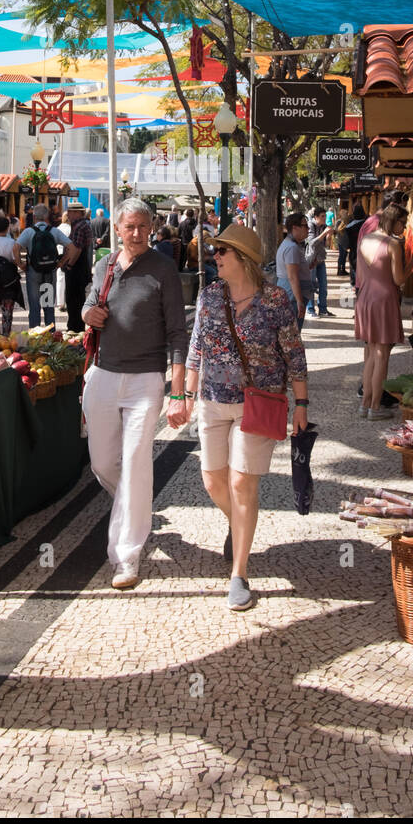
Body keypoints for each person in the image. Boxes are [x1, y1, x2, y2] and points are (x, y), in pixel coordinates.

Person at [184, 224, 307, 612]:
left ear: (244, 260)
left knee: (240, 483)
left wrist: (301, 404)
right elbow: (195, 351)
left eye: (223, 251)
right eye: (216, 250)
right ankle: (239, 526)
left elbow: (295, 355)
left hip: (258, 402)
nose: (215, 256)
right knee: (212, 481)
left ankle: (239, 574)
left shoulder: (275, 301)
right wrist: (184, 395)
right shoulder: (209, 296)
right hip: (212, 401)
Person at [82, 198, 189, 589]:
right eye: (130, 226)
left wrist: (178, 392)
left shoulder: (163, 269)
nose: (138, 234)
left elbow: (178, 331)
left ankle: (127, 556)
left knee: (137, 463)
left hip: (145, 379)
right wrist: (86, 314)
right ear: (118, 228)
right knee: (103, 464)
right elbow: (90, 303)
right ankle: (137, 508)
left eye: (144, 226)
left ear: (153, 227)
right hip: (104, 374)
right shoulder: (104, 265)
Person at [355, 204, 413, 420]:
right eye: (403, 222)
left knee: (372, 355)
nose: (404, 226)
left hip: (365, 298)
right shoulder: (392, 244)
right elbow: (399, 279)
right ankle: (375, 407)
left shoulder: (365, 239)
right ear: (394, 221)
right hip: (384, 300)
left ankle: (365, 405)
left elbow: (362, 273)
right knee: (382, 356)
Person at [17, 204, 77, 330]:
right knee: (48, 306)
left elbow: (15, 248)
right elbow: (71, 247)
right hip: (50, 273)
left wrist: (21, 264)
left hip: (33, 272)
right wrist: (61, 262)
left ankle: (35, 336)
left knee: (34, 306)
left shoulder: (29, 231)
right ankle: (50, 336)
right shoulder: (54, 231)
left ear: (34, 217)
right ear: (46, 216)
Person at [275, 212, 312, 329]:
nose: (308, 228)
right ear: (295, 228)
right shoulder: (292, 247)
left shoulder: (289, 245)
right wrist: (299, 301)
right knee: (293, 330)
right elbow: (292, 276)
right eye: (305, 226)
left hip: (289, 291)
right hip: (292, 294)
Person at [63, 202, 94, 333]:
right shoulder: (83, 224)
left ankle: (74, 329)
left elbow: (77, 249)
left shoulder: (79, 226)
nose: (67, 214)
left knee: (73, 300)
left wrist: (69, 265)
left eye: (70, 212)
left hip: (77, 269)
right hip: (82, 269)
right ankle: (77, 328)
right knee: (77, 299)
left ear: (76, 213)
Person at [305, 207, 335, 318]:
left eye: (325, 216)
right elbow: (312, 243)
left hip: (321, 259)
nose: (324, 218)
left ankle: (323, 309)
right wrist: (324, 234)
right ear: (316, 217)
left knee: (323, 285)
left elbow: (325, 245)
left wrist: (328, 237)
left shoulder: (323, 227)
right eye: (322, 216)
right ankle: (310, 309)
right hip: (311, 259)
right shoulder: (310, 225)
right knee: (311, 284)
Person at [338, 202, 367, 280]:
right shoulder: (366, 224)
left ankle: (354, 283)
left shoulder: (349, 227)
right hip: (364, 251)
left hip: (353, 251)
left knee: (354, 268)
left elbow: (345, 239)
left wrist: (346, 246)